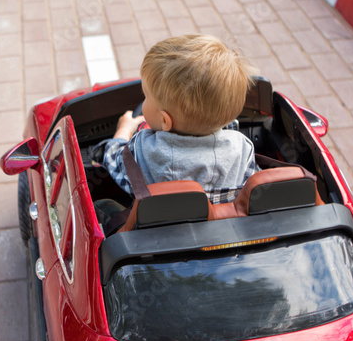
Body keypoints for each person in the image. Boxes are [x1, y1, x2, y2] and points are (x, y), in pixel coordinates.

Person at [94, 35, 259, 219]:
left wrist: (124, 130)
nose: (144, 100)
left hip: (158, 232)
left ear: (165, 121)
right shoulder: (242, 147)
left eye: (146, 96)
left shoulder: (143, 150)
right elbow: (251, 188)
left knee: (102, 206)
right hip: (222, 235)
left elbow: (113, 159)